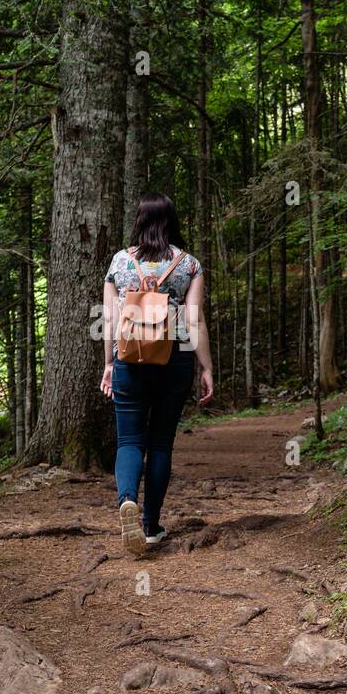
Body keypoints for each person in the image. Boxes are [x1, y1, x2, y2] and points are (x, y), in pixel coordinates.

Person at [101, 193, 215, 556]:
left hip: (130, 360)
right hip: (175, 360)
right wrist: (207, 367)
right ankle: (151, 527)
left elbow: (109, 320)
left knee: (129, 440)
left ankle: (126, 501)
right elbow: (194, 320)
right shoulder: (189, 265)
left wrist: (108, 363)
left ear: (139, 220)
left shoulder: (119, 262)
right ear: (171, 221)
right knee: (161, 443)